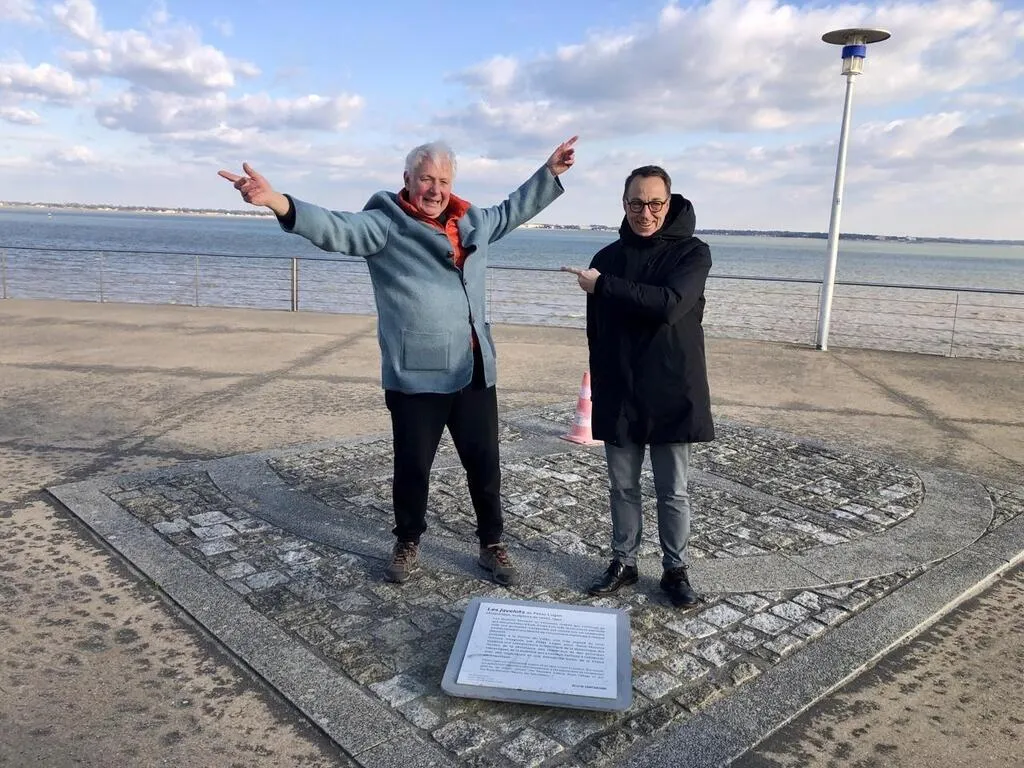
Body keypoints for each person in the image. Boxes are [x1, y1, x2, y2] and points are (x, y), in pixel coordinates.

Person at [219, 137, 578, 586]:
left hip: (474, 368)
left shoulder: (473, 220)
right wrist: (276, 201)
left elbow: (511, 210)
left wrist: (549, 172)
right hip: (416, 373)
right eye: (426, 179)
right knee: (412, 467)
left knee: (485, 464)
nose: (435, 189)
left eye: (443, 180)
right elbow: (335, 228)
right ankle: (408, 540)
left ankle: (491, 543)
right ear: (407, 179)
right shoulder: (385, 223)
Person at [562, 165, 713, 608]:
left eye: (655, 203)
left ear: (669, 202)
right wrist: (602, 382)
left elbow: (669, 305)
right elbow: (596, 330)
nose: (645, 212)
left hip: (671, 387)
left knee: (673, 490)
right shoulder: (607, 257)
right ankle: (623, 562)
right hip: (621, 388)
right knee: (622, 487)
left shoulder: (692, 253)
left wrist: (604, 286)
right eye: (636, 203)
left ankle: (675, 570)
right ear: (624, 203)